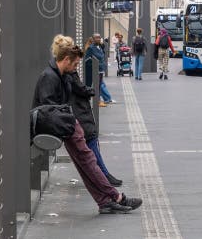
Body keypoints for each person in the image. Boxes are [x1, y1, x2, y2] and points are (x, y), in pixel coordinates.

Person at [32, 35, 141, 214]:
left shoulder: (61, 74)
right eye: (75, 64)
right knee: (88, 161)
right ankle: (115, 197)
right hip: (64, 124)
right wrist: (71, 121)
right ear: (66, 60)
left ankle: (105, 201)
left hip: (65, 123)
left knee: (85, 164)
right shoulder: (50, 77)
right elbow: (48, 108)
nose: (75, 68)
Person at [53, 36, 124, 187]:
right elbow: (78, 88)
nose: (76, 64)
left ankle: (102, 176)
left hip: (76, 111)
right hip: (77, 112)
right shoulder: (67, 71)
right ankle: (102, 176)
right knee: (90, 144)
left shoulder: (63, 70)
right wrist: (90, 91)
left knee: (89, 146)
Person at [85, 35, 114, 105]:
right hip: (93, 71)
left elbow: (102, 57)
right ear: (93, 39)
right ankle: (90, 101)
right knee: (91, 86)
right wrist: (94, 66)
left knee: (98, 86)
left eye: (99, 38)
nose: (98, 39)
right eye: (96, 38)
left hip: (100, 70)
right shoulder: (91, 48)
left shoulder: (100, 47)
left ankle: (98, 101)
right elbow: (87, 59)